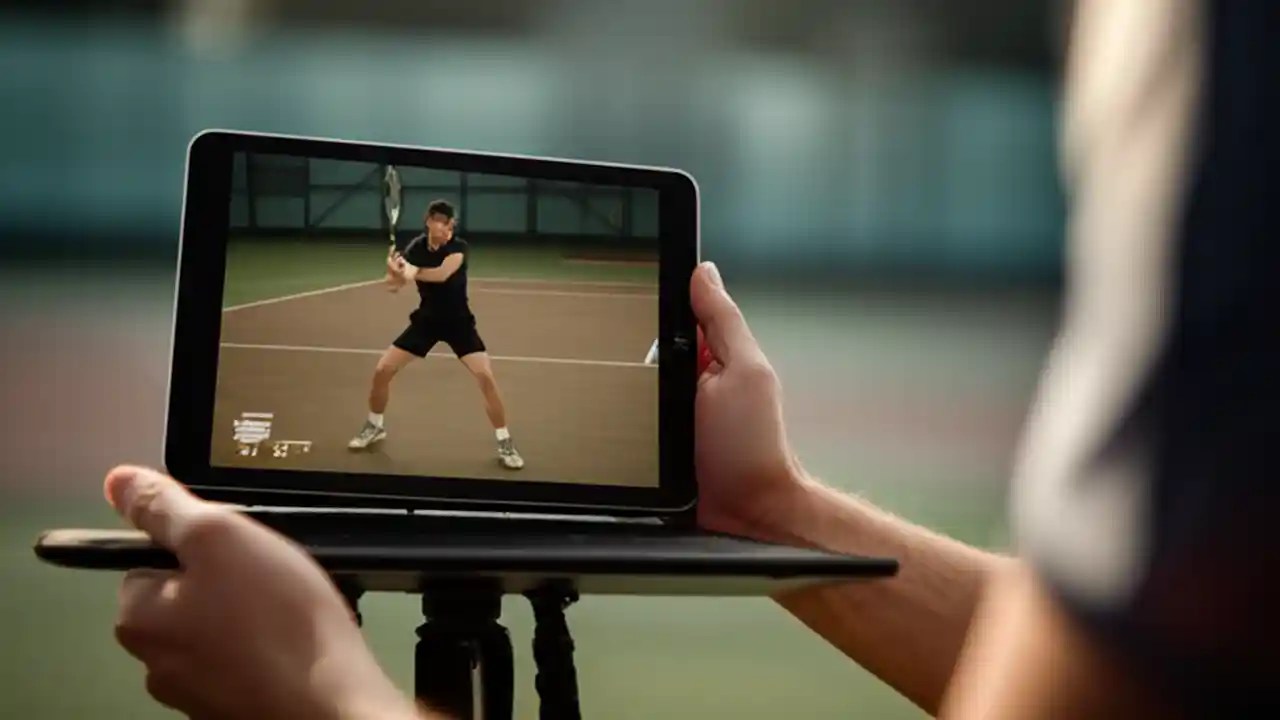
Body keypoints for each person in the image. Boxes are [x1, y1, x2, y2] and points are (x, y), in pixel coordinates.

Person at [107, 0, 1276, 717]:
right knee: (386, 380)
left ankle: (497, 435)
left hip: (449, 318)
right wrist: (764, 509)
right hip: (438, 320)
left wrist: (314, 694)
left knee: (474, 375)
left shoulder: (1230, 77)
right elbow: (1136, 667)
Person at [347, 199, 524, 471]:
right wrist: (394, 272)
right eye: (440, 221)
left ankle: (505, 441)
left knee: (485, 377)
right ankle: (374, 425)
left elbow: (441, 275)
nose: (445, 227)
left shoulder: (458, 248)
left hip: (459, 324)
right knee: (383, 369)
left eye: (449, 223)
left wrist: (411, 272)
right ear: (429, 221)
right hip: (427, 322)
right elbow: (392, 287)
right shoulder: (417, 248)